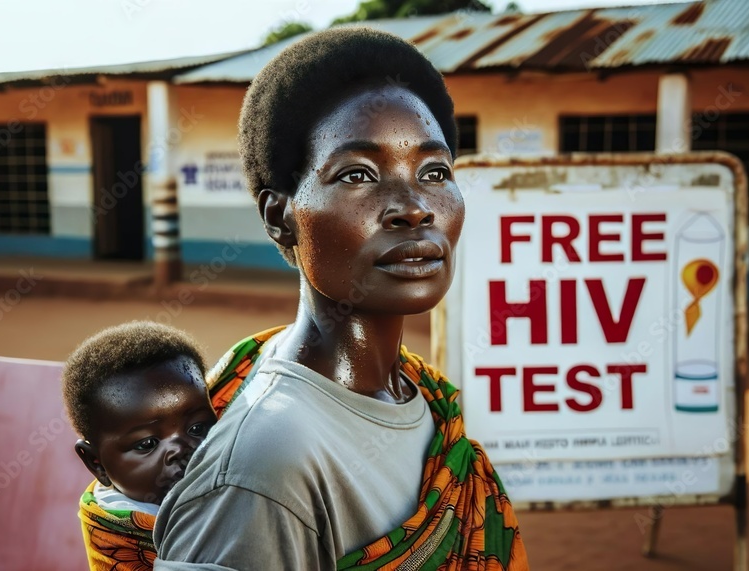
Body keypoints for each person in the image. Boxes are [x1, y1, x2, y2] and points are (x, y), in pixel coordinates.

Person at [155, 27, 528, 570]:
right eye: (358, 174)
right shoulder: (266, 465)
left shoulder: (423, 397)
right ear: (279, 217)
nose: (414, 207)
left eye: (435, 172)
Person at [62, 321, 218, 571]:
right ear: (96, 464)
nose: (180, 449)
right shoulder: (118, 529)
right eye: (147, 443)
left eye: (196, 428)